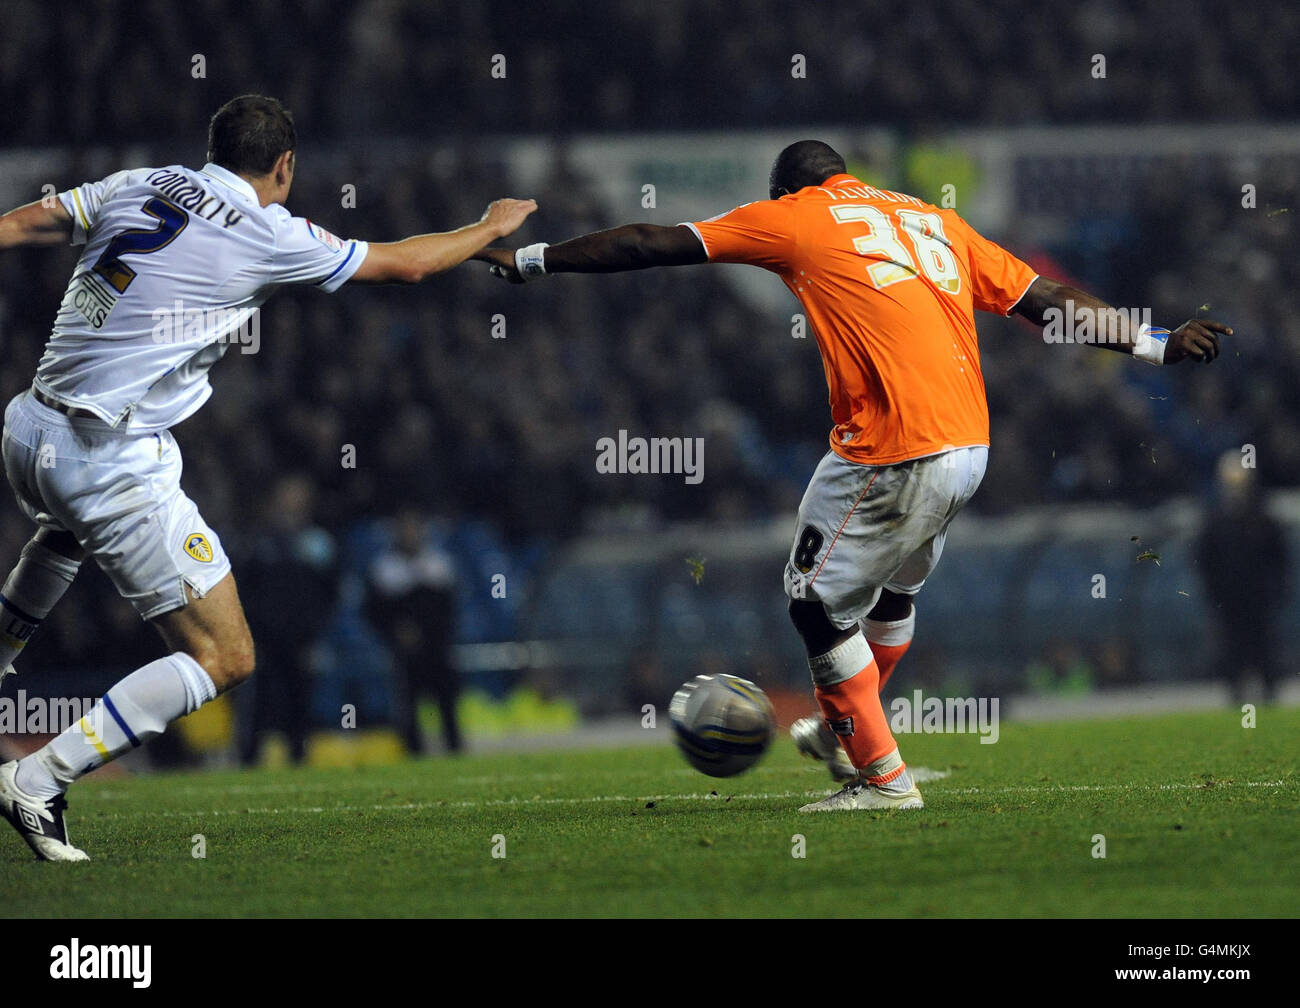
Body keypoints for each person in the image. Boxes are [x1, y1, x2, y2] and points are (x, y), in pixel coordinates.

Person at [477, 139, 1228, 812]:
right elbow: (1048, 304)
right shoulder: (937, 221)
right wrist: (1158, 343)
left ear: (787, 193)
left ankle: (882, 779)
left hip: (895, 446)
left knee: (813, 602)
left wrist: (532, 260)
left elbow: (646, 241)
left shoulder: (798, 216)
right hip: (968, 444)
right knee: (894, 589)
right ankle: (845, 738)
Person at [0, 94, 536, 860]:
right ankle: (41, 780)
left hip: (27, 426)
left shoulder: (140, 181)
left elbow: (26, 222)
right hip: (103, 454)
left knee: (60, 538)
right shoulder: (266, 230)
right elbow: (406, 264)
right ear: (285, 166)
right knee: (226, 656)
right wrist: (488, 228)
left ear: (212, 148)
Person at [236, 473, 339, 766]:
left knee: (300, 702)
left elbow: (328, 592)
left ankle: (299, 759)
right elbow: (245, 589)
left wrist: (315, 631)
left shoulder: (318, 542)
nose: (294, 499)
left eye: (299, 493)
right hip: (264, 640)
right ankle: (249, 760)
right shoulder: (259, 542)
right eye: (289, 492)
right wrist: (254, 629)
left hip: (302, 640)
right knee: (259, 703)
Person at [364, 507, 462, 756]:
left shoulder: (439, 564)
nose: (410, 533)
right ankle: (414, 752)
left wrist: (434, 634)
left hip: (437, 648)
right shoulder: (385, 568)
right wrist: (396, 632)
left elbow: (450, 610)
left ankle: (454, 749)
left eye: (414, 527)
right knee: (408, 706)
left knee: (446, 702)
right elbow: (374, 612)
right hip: (404, 653)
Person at [1196, 450, 1290, 704]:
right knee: (1233, 648)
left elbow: (1279, 560)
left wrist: (1279, 590)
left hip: (1258, 597)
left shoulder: (1263, 521)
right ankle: (1237, 693)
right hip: (1230, 599)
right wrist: (1214, 592)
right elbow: (1205, 562)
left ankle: (1269, 693)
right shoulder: (1216, 522)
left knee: (1263, 647)